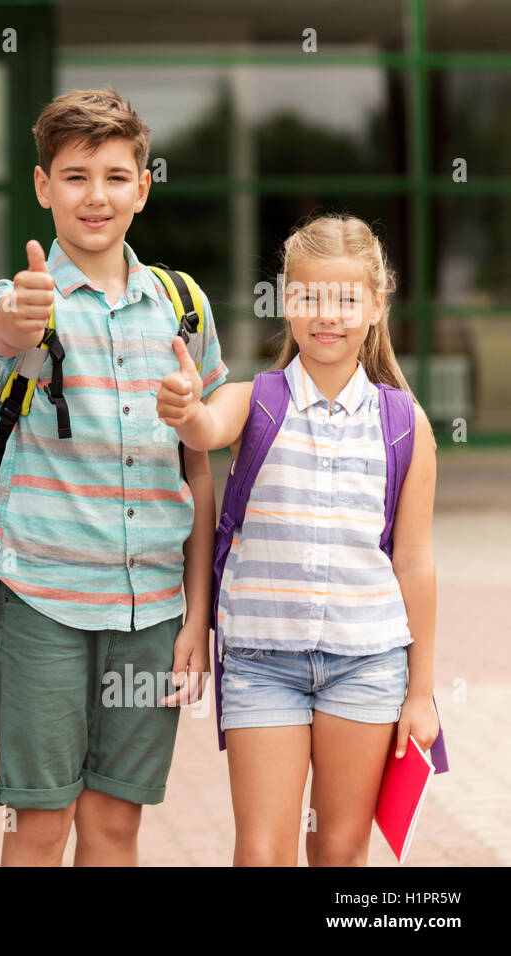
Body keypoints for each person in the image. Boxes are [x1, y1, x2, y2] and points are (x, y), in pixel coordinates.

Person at [0, 89, 227, 865]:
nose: (96, 196)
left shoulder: (182, 308)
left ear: (143, 188)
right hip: (41, 602)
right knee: (40, 823)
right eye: (75, 176)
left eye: (116, 176)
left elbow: (200, 468)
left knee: (116, 824)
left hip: (152, 614)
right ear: (43, 186)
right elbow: (4, 330)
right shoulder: (24, 297)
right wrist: (24, 313)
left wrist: (196, 616)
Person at [157, 213, 440, 866]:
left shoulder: (405, 424)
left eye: (346, 298)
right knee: (261, 854)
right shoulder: (254, 400)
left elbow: (416, 563)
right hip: (262, 663)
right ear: (286, 301)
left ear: (376, 302)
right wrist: (186, 407)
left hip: (367, 666)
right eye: (309, 296)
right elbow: (203, 427)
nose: (327, 315)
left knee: (340, 854)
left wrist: (421, 693)